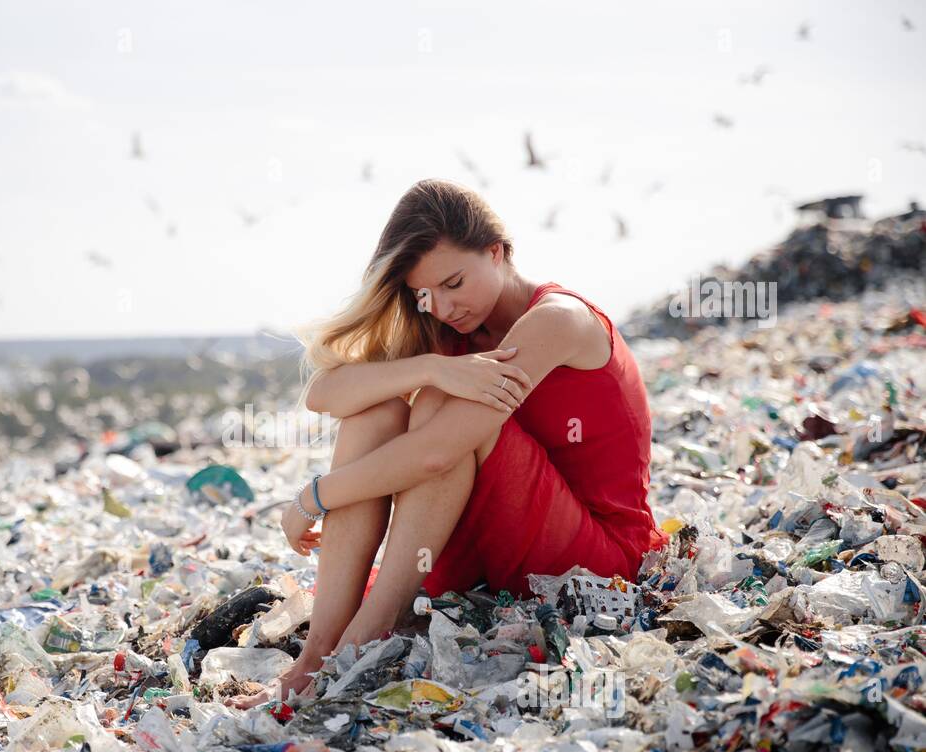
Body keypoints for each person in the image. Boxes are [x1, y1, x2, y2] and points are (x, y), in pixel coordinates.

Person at [229, 179, 668, 710]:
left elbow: (438, 451)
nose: (442, 307)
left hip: (590, 561)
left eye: (454, 282)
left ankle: (364, 636)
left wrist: (315, 498)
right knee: (378, 409)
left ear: (496, 251)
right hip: (493, 541)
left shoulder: (558, 320)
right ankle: (318, 653)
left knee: (438, 409)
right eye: (425, 295)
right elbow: (326, 394)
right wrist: (433, 364)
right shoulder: (451, 332)